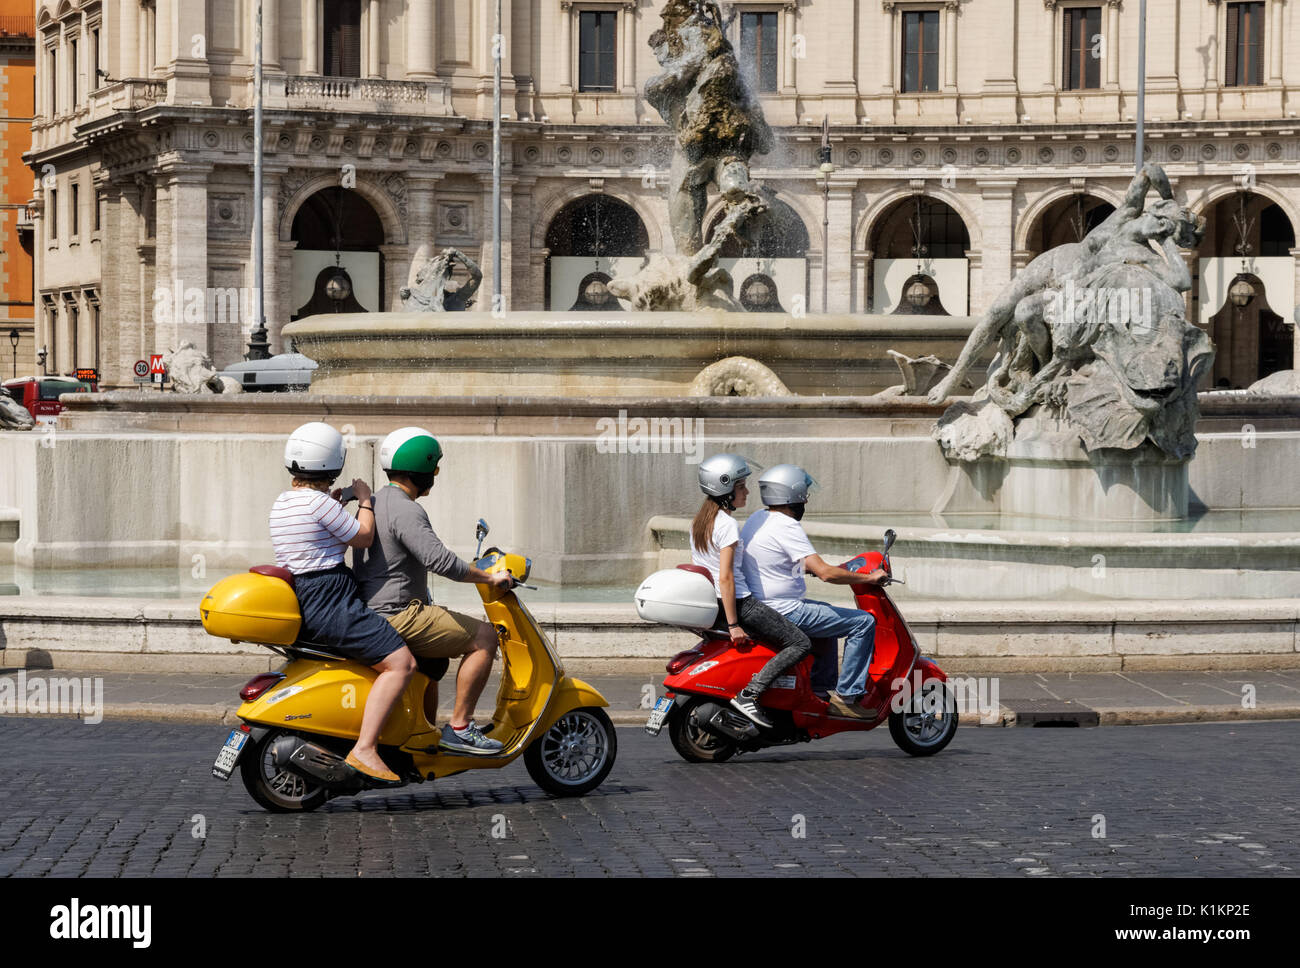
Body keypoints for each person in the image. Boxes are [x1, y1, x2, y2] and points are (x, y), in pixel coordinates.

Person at [268, 422, 414, 783]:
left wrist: (336, 503)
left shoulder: (283, 502)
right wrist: (364, 499)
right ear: (334, 461)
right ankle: (365, 749)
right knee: (401, 664)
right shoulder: (319, 503)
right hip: (331, 599)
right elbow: (363, 537)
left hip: (305, 595)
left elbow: (315, 538)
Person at [354, 427, 514, 755]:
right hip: (399, 614)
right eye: (434, 470)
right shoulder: (406, 509)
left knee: (434, 659)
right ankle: (461, 728)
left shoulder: (376, 502)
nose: (435, 477)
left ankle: (424, 732)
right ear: (423, 470)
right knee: (485, 637)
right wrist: (489, 577)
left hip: (374, 612)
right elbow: (441, 561)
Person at [740, 464, 888, 720]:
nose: (806, 501)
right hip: (784, 609)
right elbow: (826, 574)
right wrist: (870, 577)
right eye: (804, 495)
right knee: (863, 622)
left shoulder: (758, 518)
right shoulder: (787, 525)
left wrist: (808, 568)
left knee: (827, 616)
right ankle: (848, 696)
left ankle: (819, 691)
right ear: (792, 494)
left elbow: (774, 559)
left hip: (763, 606)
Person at [690, 453, 812, 729]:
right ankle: (751, 694)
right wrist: (734, 624)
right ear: (725, 489)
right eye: (741, 486)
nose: (746, 492)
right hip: (741, 604)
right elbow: (726, 577)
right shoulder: (727, 524)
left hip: (716, 601)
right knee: (800, 643)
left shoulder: (699, 522)